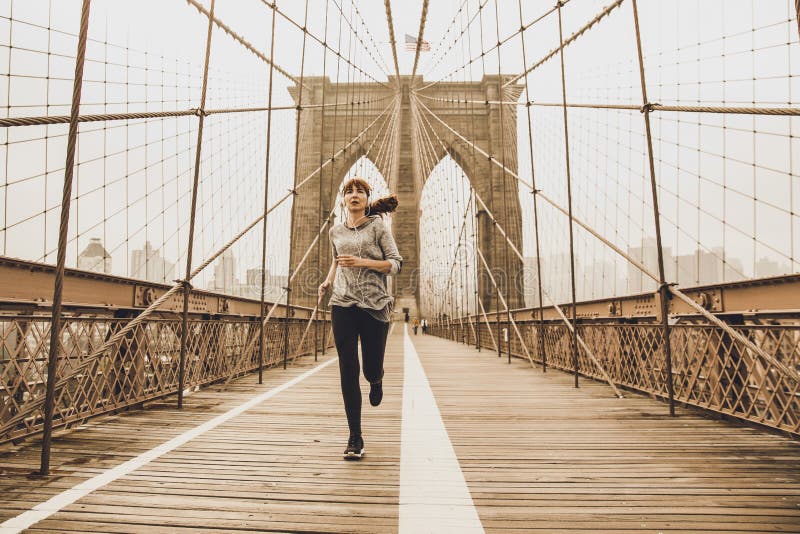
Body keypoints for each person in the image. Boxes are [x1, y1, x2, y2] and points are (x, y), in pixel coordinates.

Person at [318, 177, 402, 460]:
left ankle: (376, 379)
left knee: (369, 369)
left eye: (360, 192)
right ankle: (355, 436)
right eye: (349, 192)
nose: (354, 196)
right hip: (342, 304)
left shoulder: (378, 226)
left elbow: (395, 264)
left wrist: (364, 262)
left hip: (375, 306)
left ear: (367, 199)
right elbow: (337, 259)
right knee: (348, 369)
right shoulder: (335, 231)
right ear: (344, 199)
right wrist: (328, 281)